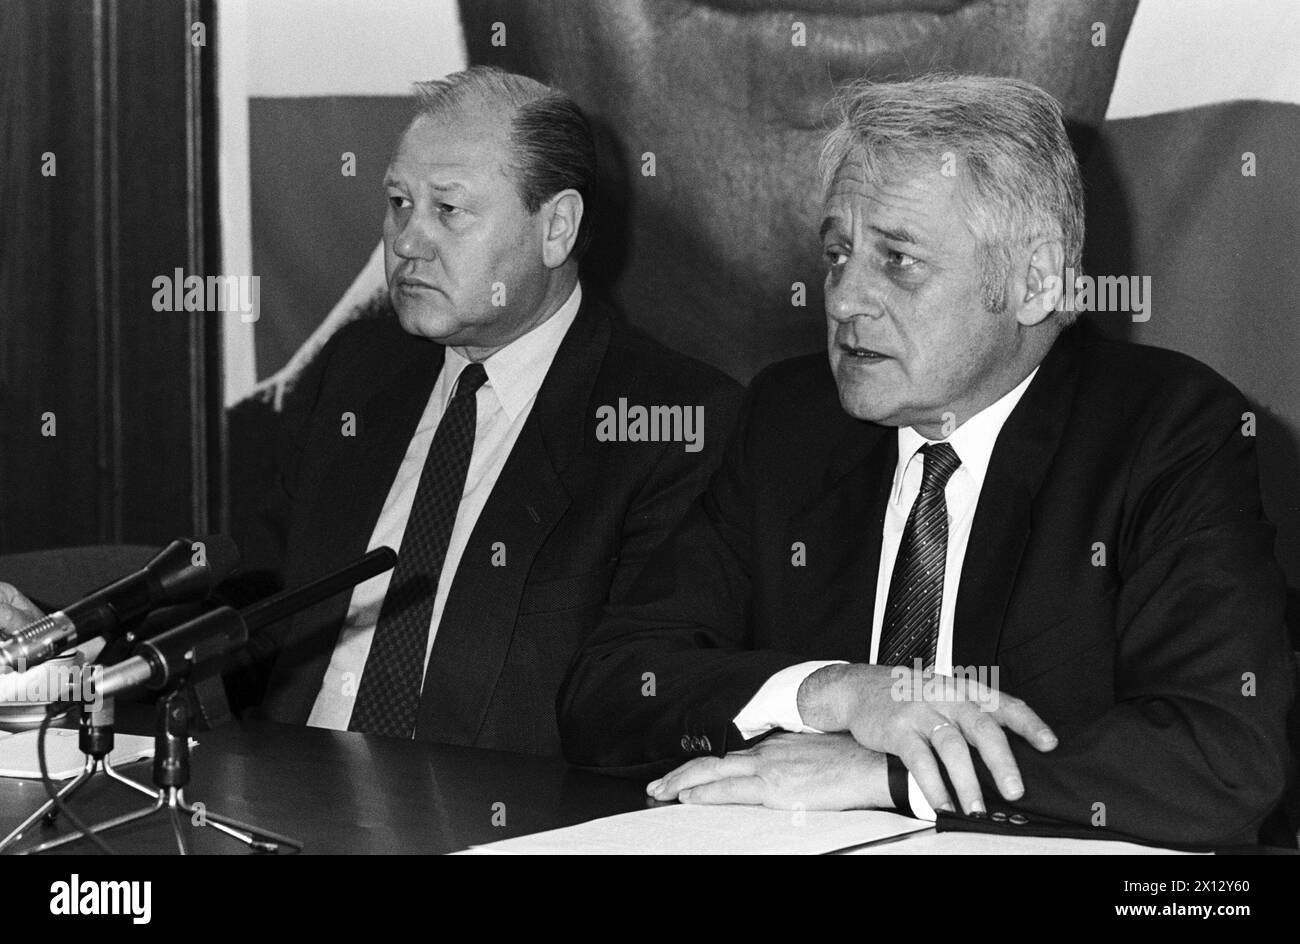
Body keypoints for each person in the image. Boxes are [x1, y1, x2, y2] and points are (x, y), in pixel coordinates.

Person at [556, 74, 1294, 847]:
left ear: (1035, 280)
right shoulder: (789, 423)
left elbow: (1222, 758)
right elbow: (609, 687)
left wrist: (892, 777)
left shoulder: (1168, 431)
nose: (842, 300)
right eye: (838, 254)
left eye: (898, 261)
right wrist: (835, 694)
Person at [3, 67, 742, 759]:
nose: (407, 241)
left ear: (557, 228)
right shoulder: (362, 372)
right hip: (288, 799)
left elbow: (641, 699)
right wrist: (77, 660)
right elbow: (256, 598)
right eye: (398, 203)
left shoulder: (669, 422)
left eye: (448, 210)